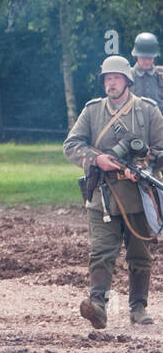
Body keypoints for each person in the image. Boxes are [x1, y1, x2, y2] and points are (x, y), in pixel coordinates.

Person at [63, 55, 163, 328]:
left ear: (127, 81)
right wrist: (96, 159)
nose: (111, 83)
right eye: (107, 78)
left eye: (116, 78)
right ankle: (98, 306)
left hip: (140, 195)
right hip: (103, 196)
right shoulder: (93, 111)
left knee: (140, 254)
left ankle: (138, 308)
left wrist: (143, 165)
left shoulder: (148, 111)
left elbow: (161, 150)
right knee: (102, 252)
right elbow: (71, 145)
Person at [130, 32, 163, 108]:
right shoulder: (128, 75)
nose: (147, 62)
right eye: (144, 58)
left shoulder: (161, 74)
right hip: (135, 118)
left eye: (150, 58)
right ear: (136, 55)